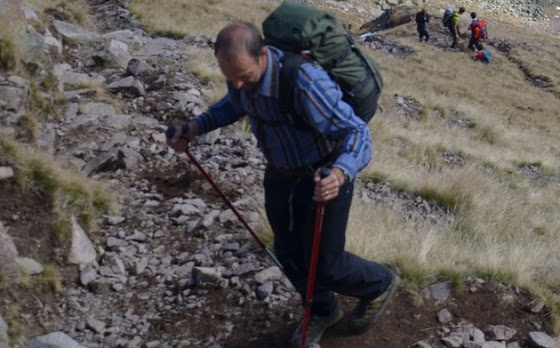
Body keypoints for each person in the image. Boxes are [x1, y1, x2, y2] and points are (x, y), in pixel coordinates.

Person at [166, 22, 398, 345]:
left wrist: (340, 173)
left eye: (244, 76)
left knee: (325, 265)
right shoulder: (242, 79)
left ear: (262, 54)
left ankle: (380, 283)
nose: (237, 84)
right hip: (280, 176)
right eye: (229, 77)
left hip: (325, 177)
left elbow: (357, 132)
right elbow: (233, 104)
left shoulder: (304, 81)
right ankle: (323, 309)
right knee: (287, 253)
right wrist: (194, 127)